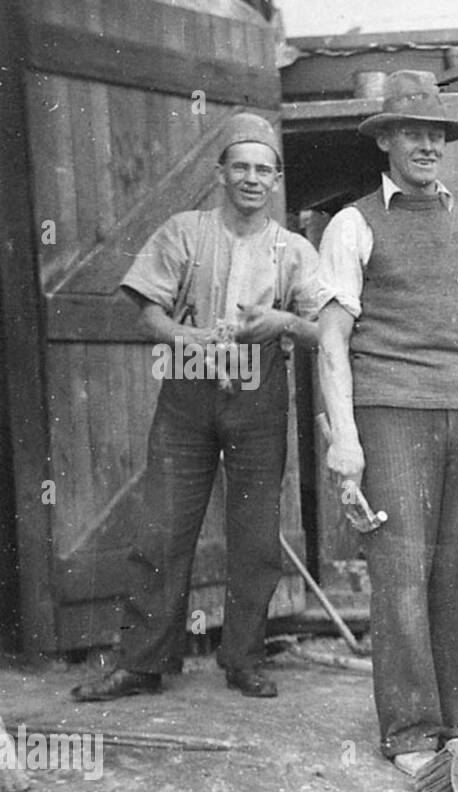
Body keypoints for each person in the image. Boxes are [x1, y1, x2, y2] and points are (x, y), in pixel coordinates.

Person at [313, 71, 458, 783]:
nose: (427, 145)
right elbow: (334, 339)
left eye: (436, 133)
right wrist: (343, 437)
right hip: (390, 410)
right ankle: (409, 728)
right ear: (386, 141)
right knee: (402, 569)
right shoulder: (353, 224)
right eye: (412, 132)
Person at [72, 113, 322, 703]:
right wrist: (180, 337)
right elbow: (147, 310)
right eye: (241, 167)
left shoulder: (294, 249)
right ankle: (142, 662)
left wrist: (282, 321)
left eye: (264, 169)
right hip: (188, 388)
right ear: (220, 174)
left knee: (256, 535)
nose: (252, 179)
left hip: (259, 393)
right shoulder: (184, 230)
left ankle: (244, 657)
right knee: (162, 528)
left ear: (277, 179)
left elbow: (325, 330)